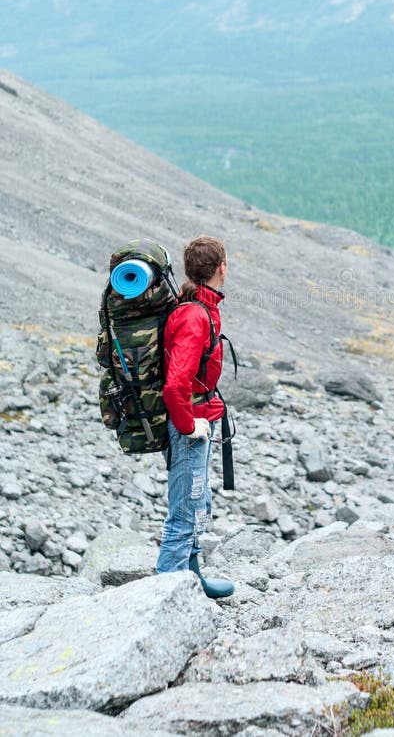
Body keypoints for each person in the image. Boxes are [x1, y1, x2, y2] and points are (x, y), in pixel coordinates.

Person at [155, 235, 234, 598]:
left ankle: (192, 577)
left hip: (202, 415)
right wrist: (190, 426)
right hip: (191, 424)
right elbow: (175, 387)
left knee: (197, 502)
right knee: (184, 512)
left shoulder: (201, 305)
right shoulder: (194, 315)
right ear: (220, 267)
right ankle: (163, 600)